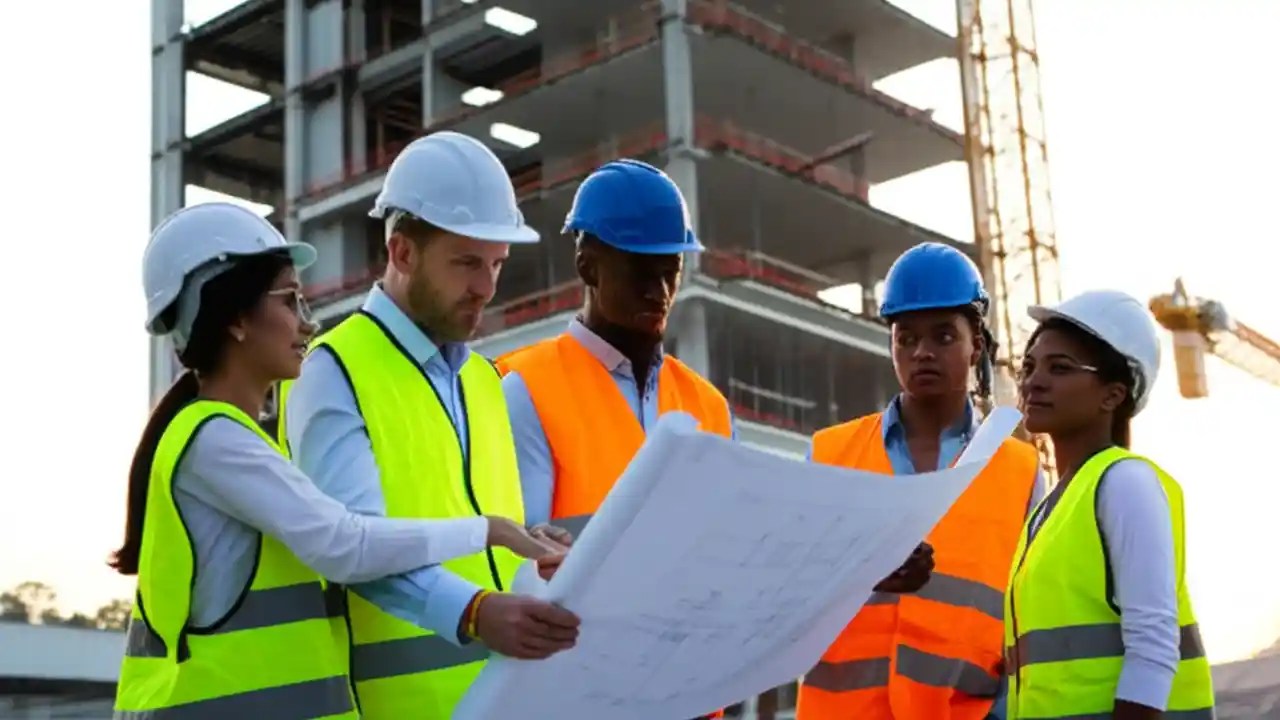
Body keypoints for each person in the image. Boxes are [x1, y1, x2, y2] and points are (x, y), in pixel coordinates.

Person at [498, 160, 935, 720]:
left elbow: (745, 562)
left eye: (671, 271)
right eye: (641, 271)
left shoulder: (706, 404)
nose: (660, 291)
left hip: (693, 702)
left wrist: (863, 569)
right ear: (588, 263)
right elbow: (521, 572)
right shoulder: (525, 389)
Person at [113, 202, 565, 718]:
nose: (307, 324)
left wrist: (518, 542)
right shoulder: (217, 443)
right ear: (236, 317)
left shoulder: (233, 442)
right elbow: (346, 545)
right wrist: (488, 531)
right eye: (290, 300)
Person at [279, 131, 580, 720]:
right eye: (466, 262)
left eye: (496, 264)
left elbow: (478, 532)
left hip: (506, 704)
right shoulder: (332, 370)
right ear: (402, 253)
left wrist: (533, 555)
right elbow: (352, 550)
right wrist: (475, 612)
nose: (486, 287)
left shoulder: (486, 381)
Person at [797, 242, 1046, 720]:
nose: (922, 352)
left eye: (943, 336)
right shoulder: (829, 455)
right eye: (906, 338)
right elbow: (784, 596)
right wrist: (859, 574)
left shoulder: (1021, 471)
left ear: (977, 343)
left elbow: (1028, 623)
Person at [1003, 290, 1214, 720]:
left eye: (1059, 368)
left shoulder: (1124, 483)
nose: (1033, 381)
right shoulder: (1050, 509)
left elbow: (1153, 647)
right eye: (1029, 366)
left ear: (1113, 395)